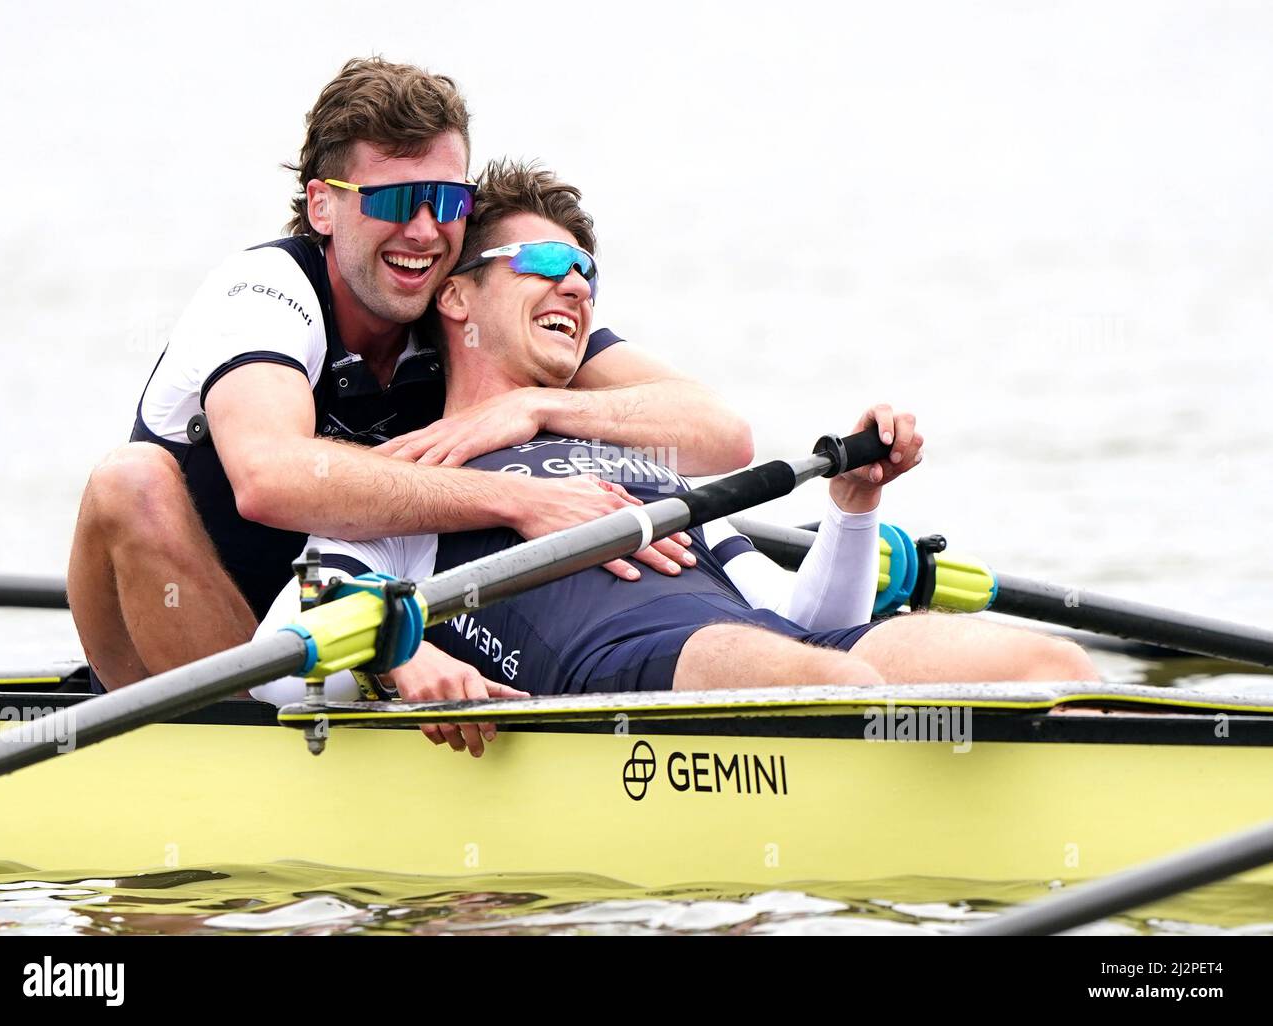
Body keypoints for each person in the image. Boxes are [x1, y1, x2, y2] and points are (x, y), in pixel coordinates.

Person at [253, 160, 1100, 757]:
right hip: (623, 675)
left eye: (587, 271)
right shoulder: (416, 470)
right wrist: (401, 654)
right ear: (457, 294)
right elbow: (279, 648)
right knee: (831, 680)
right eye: (547, 262)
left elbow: (796, 612)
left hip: (780, 650)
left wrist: (851, 508)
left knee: (1047, 666)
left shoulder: (641, 454)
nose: (578, 285)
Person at [67, 58, 752, 692]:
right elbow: (267, 479)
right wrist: (513, 500)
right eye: (396, 203)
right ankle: (239, 742)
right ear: (322, 206)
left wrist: (540, 408)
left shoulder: (457, 297)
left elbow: (719, 435)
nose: (425, 232)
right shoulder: (264, 292)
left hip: (356, 634)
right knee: (129, 480)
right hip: (187, 657)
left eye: (447, 201)